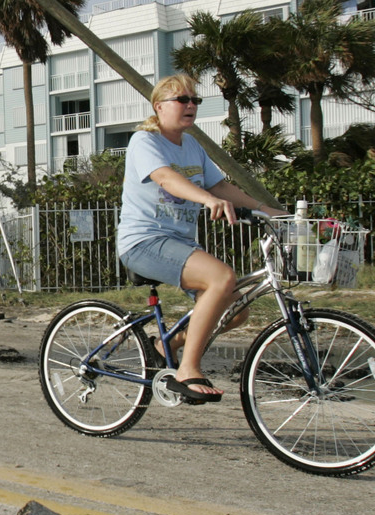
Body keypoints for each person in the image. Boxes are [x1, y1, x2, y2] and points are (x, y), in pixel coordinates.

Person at [117, 74, 288, 403]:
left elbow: (220, 187)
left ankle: (164, 345)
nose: (191, 105)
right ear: (159, 106)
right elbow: (165, 178)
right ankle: (188, 370)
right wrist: (206, 201)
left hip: (179, 244)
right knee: (222, 277)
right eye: (182, 100)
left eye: (195, 100)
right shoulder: (145, 140)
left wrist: (266, 210)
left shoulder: (192, 145)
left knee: (236, 310)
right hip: (144, 241)